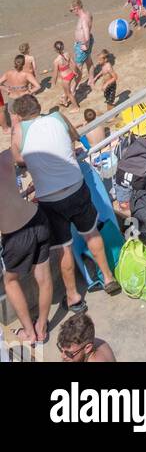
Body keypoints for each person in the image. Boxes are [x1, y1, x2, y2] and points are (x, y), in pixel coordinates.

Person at [10, 96, 121, 306]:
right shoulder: (57, 117)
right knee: (91, 233)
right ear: (39, 106)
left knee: (64, 248)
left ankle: (73, 297)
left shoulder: (19, 131)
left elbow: (18, 159)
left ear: (18, 115)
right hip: (76, 187)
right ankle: (108, 278)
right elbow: (75, 136)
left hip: (50, 199)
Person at [0, 145, 53, 347]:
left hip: (16, 235)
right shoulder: (5, 157)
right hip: (37, 218)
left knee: (10, 281)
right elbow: (27, 150)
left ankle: (29, 333)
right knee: (44, 277)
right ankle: (42, 328)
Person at [70, 0, 95, 82]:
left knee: (78, 67)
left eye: (71, 10)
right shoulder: (88, 14)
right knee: (88, 61)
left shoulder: (83, 19)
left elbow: (86, 35)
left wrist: (85, 44)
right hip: (85, 42)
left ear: (76, 8)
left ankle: (73, 89)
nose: (72, 12)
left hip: (83, 44)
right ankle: (91, 79)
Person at [51, 42, 79, 109]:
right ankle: (65, 101)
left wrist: (53, 82)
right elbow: (74, 64)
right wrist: (75, 71)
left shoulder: (56, 61)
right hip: (71, 74)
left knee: (69, 93)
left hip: (65, 78)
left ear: (55, 50)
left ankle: (76, 107)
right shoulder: (67, 54)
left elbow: (55, 73)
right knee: (66, 90)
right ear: (63, 47)